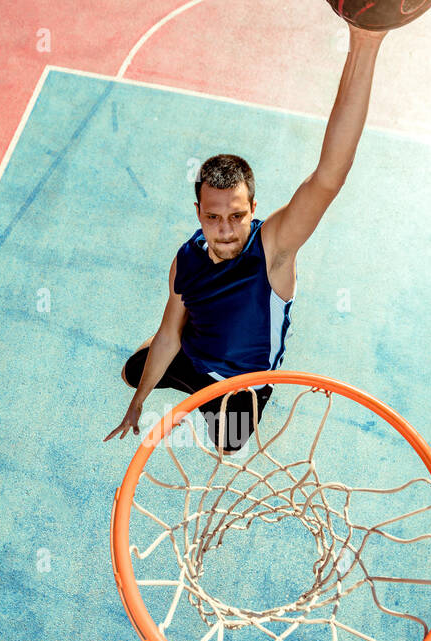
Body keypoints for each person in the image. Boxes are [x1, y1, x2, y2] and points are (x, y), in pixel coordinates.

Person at [104, 21, 388, 453]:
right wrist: (137, 404)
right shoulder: (187, 258)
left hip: (244, 385)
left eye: (237, 215)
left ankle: (211, 398)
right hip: (195, 359)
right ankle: (183, 379)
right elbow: (167, 333)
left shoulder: (273, 249)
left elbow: (330, 176)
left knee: (228, 444)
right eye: (213, 217)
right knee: (133, 373)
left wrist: (364, 46)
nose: (225, 229)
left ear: (254, 210)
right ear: (198, 213)